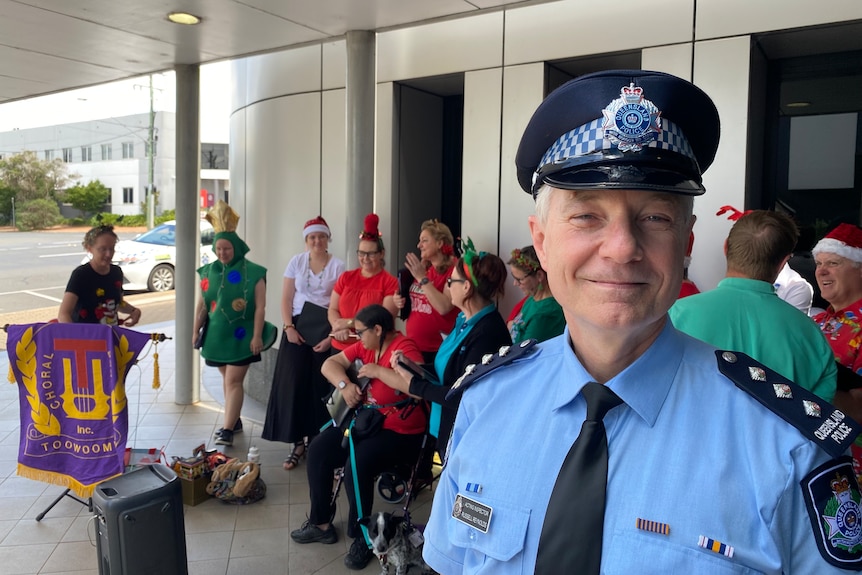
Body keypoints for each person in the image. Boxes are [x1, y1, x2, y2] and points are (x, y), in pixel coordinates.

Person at [422, 70, 862, 573]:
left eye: (655, 217)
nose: (623, 247)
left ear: (687, 245)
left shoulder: (788, 448)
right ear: (541, 242)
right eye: (586, 215)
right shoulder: (484, 403)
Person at [290, 304, 427, 571]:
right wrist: (346, 384)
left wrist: (378, 372)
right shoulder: (366, 346)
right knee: (318, 450)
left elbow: (418, 389)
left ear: (378, 330)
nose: (357, 337)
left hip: (400, 432)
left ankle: (363, 537)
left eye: (361, 332)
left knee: (357, 464)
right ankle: (320, 523)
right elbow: (330, 364)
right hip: (366, 423)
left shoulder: (404, 348)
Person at [669, 209, 836, 401]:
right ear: (783, 263)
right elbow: (820, 420)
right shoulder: (811, 336)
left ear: (726, 248)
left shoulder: (675, 315)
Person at [388, 239, 511, 454]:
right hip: (447, 425)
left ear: (466, 287)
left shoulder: (488, 333)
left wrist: (415, 385)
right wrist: (412, 366)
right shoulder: (463, 319)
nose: (446, 286)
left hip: (468, 434)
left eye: (451, 281)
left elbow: (464, 395)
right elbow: (447, 370)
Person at [262, 216, 345, 470]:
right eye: (312, 237)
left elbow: (340, 304)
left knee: (319, 388)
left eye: (321, 236)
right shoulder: (296, 262)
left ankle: (317, 442)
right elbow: (286, 298)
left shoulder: (338, 266)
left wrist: (329, 337)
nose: (316, 241)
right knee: (293, 385)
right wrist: (288, 327)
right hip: (296, 329)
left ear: (328, 238)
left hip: (324, 327)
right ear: (306, 240)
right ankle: (296, 443)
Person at [193, 201, 276, 447]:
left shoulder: (254, 272)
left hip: (243, 335)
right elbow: (203, 306)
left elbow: (261, 307)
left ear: (236, 247)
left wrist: (257, 336)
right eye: (218, 248)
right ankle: (235, 419)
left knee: (233, 381)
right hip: (216, 336)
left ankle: (227, 429)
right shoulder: (207, 272)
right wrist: (194, 330)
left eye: (226, 248)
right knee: (226, 378)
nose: (222, 253)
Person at [812, 223, 862, 480]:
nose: (821, 271)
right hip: (819, 468)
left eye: (833, 262)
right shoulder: (815, 322)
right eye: (819, 263)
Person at [328, 213, 399, 352]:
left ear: (381, 254)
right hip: (340, 345)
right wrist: (337, 327)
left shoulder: (390, 282)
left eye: (371, 254)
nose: (365, 258)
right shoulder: (346, 277)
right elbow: (332, 309)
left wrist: (348, 323)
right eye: (361, 253)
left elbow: (385, 320)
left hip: (370, 350)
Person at [393, 219, 459, 364]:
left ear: (440, 243)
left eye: (424, 240)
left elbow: (444, 307)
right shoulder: (425, 268)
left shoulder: (454, 270)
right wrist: (398, 299)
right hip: (414, 345)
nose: (419, 245)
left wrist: (421, 277)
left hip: (439, 349)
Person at [58, 224, 142, 326]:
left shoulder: (116, 272)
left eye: (112, 249)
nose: (108, 254)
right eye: (102, 249)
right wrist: (74, 337)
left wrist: (133, 311)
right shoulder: (81, 274)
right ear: (89, 249)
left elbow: (117, 302)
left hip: (110, 335)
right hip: (88, 337)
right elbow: (64, 313)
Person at [506, 245, 565, 343]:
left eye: (520, 279)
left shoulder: (544, 314)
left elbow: (525, 354)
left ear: (539, 275)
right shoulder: (532, 298)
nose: (515, 283)